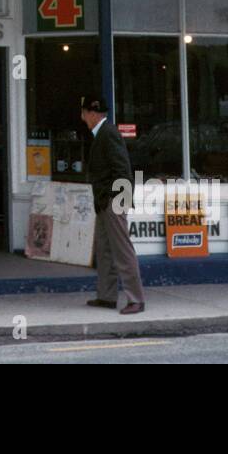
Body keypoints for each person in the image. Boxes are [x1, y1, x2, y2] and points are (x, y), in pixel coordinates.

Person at [81, 96, 145, 314]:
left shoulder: (108, 134)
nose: (83, 118)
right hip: (105, 201)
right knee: (105, 250)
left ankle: (136, 299)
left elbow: (122, 169)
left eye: (84, 113)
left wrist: (120, 202)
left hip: (113, 201)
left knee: (122, 250)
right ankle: (107, 296)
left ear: (92, 114)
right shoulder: (102, 134)